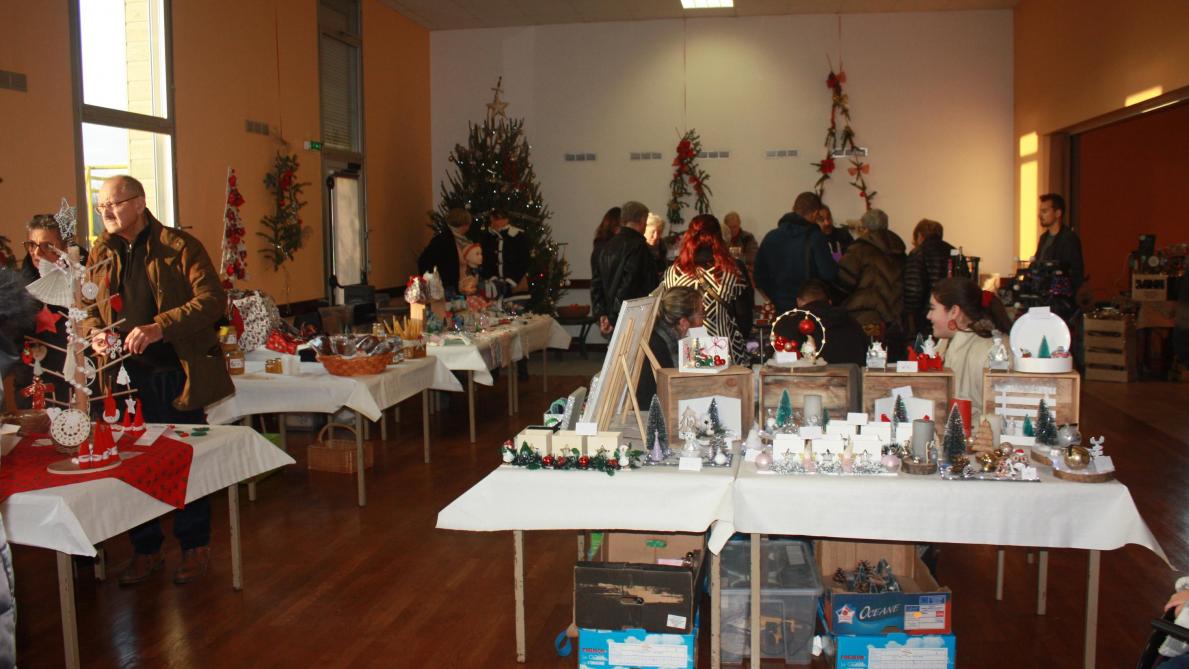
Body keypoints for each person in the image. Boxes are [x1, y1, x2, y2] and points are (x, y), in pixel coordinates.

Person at [82, 175, 234, 587]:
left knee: (183, 463)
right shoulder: (101, 252)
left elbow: (212, 301)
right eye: (100, 207)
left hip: (173, 375)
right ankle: (145, 549)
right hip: (124, 383)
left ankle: (194, 545)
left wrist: (159, 327)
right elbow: (85, 304)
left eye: (112, 204)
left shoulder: (178, 247)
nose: (106, 213)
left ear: (138, 202)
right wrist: (96, 330)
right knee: (132, 467)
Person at [660, 214, 750, 364]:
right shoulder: (732, 270)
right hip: (724, 353)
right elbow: (744, 318)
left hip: (684, 352)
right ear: (719, 237)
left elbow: (667, 316)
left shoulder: (672, 272)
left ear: (688, 236)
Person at [926, 278, 1013, 425]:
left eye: (933, 308)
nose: (929, 316)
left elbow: (1001, 415)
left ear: (954, 311)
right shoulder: (948, 345)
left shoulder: (993, 351)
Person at [13, 214, 76, 406]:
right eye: (31, 244)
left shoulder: (82, 280)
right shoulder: (18, 289)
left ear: (64, 247)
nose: (36, 253)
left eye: (46, 246)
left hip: (74, 383)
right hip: (32, 382)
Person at [835, 208, 907, 358]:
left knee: (862, 363)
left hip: (863, 318)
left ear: (864, 228)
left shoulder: (858, 250)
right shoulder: (900, 252)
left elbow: (843, 283)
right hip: (894, 320)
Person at [754, 192, 837, 316]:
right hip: (810, 307)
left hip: (781, 307)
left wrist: (776, 297)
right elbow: (828, 273)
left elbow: (759, 277)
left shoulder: (771, 237)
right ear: (815, 213)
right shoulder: (816, 237)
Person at [591, 201, 658, 335]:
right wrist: (614, 318)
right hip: (632, 317)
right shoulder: (638, 247)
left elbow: (596, 284)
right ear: (642, 220)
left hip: (614, 315)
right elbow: (628, 285)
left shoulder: (606, 247)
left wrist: (602, 314)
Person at [635, 286, 703, 410]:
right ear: (683, 324)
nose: (703, 320)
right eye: (701, 314)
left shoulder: (659, 337)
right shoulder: (659, 348)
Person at [794, 279, 868, 366]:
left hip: (808, 378)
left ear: (798, 302)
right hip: (853, 377)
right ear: (829, 302)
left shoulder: (790, 323)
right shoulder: (852, 322)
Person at [903, 219, 955, 338]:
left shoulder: (918, 253)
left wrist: (910, 321)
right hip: (952, 314)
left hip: (924, 317)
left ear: (920, 235)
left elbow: (913, 290)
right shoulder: (953, 252)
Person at [1035, 193, 1084, 298]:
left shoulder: (1068, 238)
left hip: (1060, 299)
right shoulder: (1043, 238)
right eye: (1040, 211)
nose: (1040, 215)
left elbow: (1075, 273)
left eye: (1044, 211)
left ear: (1058, 213)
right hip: (1043, 295)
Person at [417, 208, 473, 294]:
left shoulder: (464, 241)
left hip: (464, 286)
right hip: (448, 288)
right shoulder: (442, 240)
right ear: (465, 224)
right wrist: (433, 283)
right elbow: (424, 261)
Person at [480, 208, 529, 296]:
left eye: (498, 219)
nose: (495, 222)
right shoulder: (487, 237)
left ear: (506, 220)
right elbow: (484, 259)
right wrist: (490, 276)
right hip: (492, 284)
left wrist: (512, 279)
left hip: (515, 283)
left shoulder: (517, 235)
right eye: (493, 219)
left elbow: (524, 260)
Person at [644, 213, 669, 281]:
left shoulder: (662, 246)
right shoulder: (639, 248)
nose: (655, 236)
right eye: (652, 232)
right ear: (644, 231)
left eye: (659, 232)